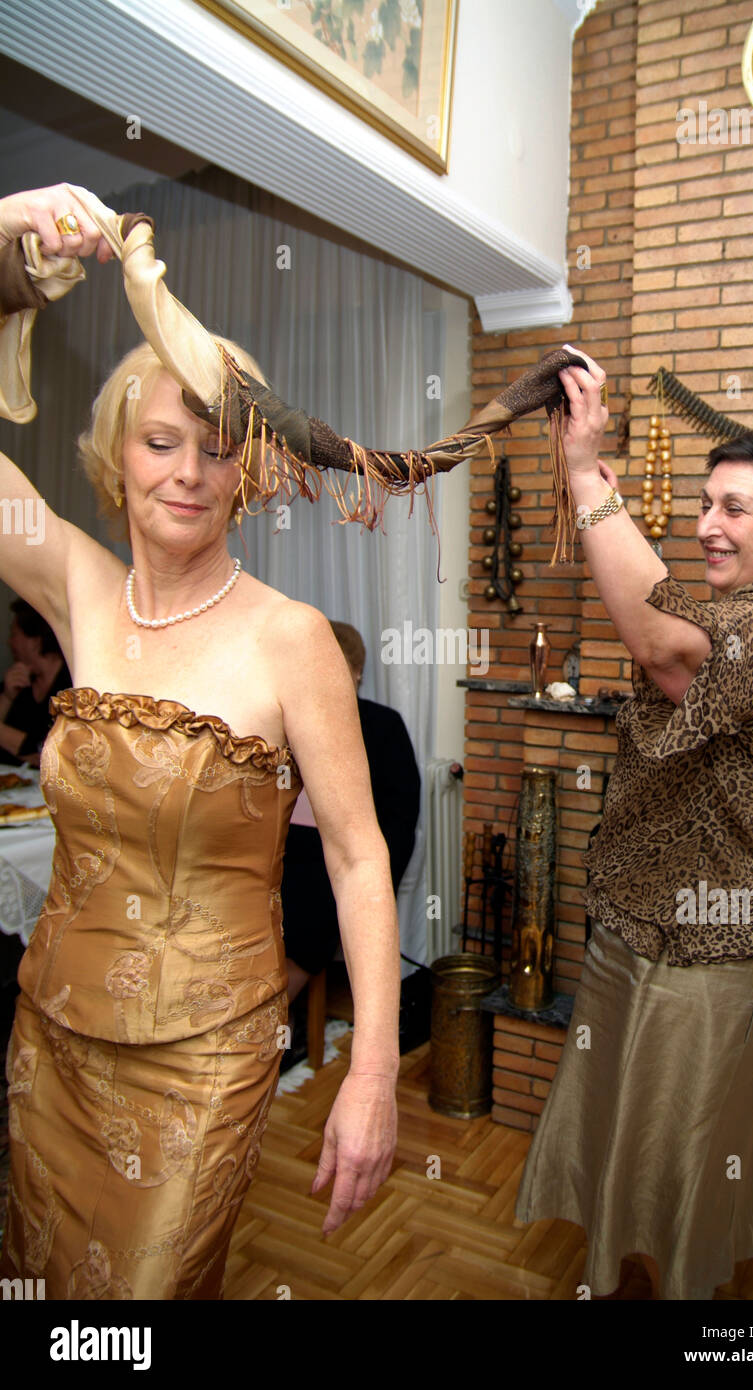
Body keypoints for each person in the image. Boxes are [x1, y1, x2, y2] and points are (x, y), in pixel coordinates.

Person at [0, 185, 399, 1299]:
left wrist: (369, 1068)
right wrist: (6, 234)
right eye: (161, 442)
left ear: (249, 471)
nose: (188, 472)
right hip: (53, 1037)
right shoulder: (77, 588)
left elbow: (358, 857)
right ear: (116, 455)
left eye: (217, 449)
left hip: (202, 1061)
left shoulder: (290, 638)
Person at [515, 350, 753, 1302]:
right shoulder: (744, 614)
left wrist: (584, 478)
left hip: (727, 948)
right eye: (704, 503)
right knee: (712, 1132)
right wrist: (599, 501)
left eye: (734, 510)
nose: (706, 524)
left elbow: (660, 643)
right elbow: (675, 617)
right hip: (653, 924)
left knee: (682, 1158)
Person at [281, 621, 420, 1036]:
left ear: (357, 672)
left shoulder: (383, 725)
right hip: (286, 849)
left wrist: (373, 880)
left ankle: (266, 1021)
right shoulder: (289, 721)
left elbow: (401, 817)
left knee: (314, 910)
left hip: (345, 858)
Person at [0, 600, 71, 766]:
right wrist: (7, 698)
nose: (10, 643)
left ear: (35, 640)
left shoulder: (73, 686)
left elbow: (52, 752)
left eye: (14, 634)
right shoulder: (18, 682)